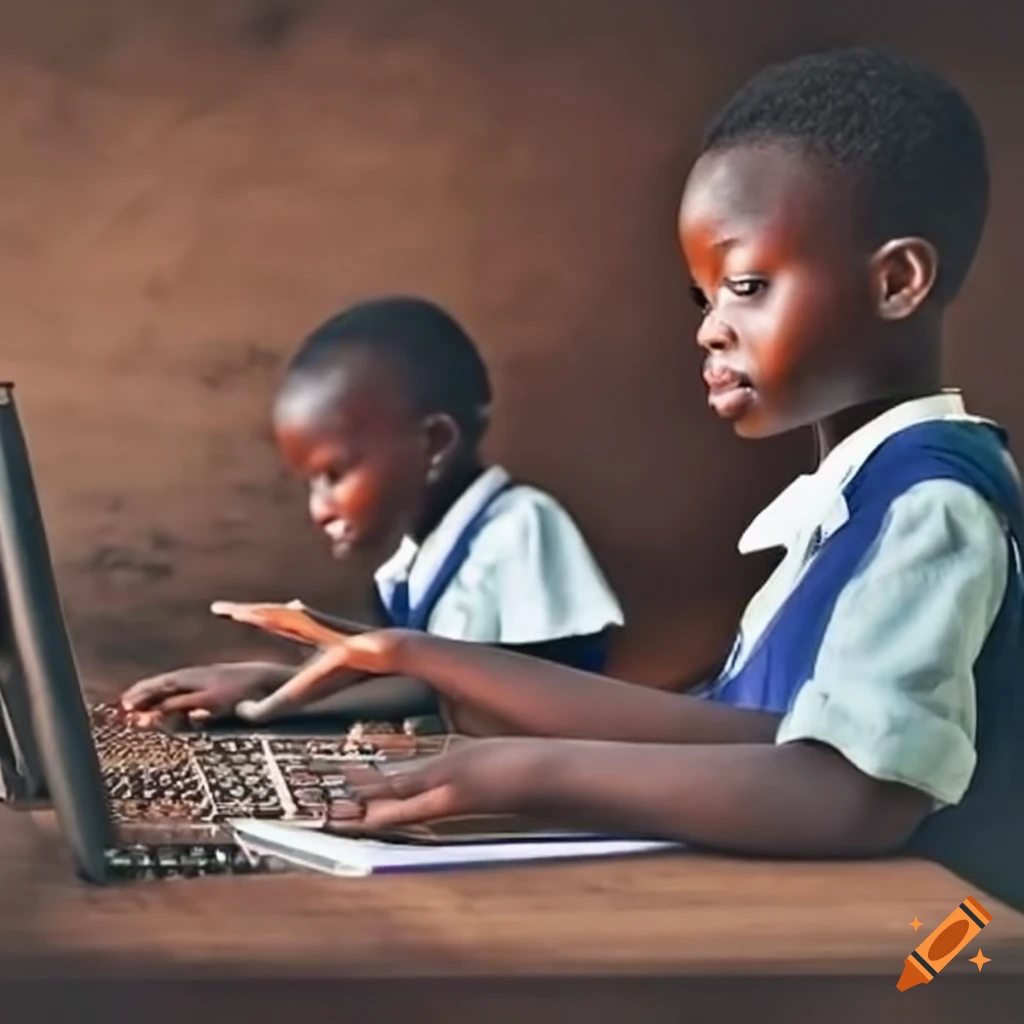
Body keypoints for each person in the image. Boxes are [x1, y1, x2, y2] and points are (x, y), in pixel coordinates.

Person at [229, 48, 1023, 910]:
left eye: (747, 285)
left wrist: (525, 771)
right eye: (705, 299)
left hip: (944, 955)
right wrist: (412, 655)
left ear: (897, 281)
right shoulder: (858, 502)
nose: (712, 331)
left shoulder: (934, 506)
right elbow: (753, 737)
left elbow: (850, 797)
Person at [121, 297, 623, 729]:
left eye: (334, 474)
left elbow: (516, 692)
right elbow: (420, 675)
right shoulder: (413, 558)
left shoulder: (522, 528)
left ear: (433, 442)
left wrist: (281, 698)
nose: (320, 509)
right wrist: (267, 679)